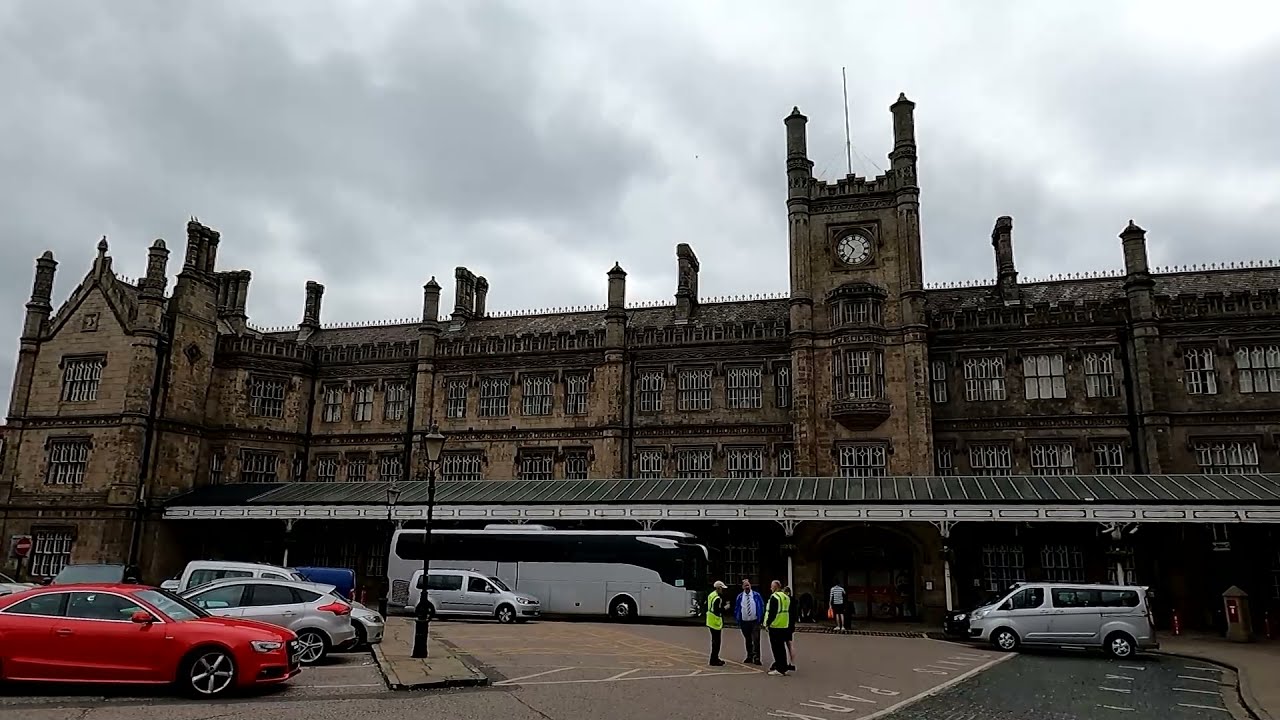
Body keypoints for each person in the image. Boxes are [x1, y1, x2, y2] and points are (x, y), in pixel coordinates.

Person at [763, 579, 791, 676]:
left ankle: (779, 668)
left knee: (776, 648)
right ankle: (783, 666)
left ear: (775, 587)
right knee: (781, 648)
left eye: (771, 586)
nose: (770, 588)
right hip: (784, 625)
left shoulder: (774, 597)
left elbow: (772, 613)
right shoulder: (786, 597)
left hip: (775, 626)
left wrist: (767, 623)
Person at [734, 578, 764, 665]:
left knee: (756, 639)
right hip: (744, 621)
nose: (747, 587)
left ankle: (757, 657)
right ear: (743, 587)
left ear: (750, 586)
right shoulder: (740, 596)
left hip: (755, 621)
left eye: (748, 585)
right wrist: (738, 618)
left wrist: (760, 617)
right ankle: (749, 656)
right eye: (745, 585)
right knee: (748, 639)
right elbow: (737, 608)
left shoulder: (756, 595)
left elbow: (761, 606)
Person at [706, 580, 727, 666]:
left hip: (710, 620)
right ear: (718, 588)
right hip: (715, 622)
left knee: (714, 641)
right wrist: (725, 608)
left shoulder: (711, 594)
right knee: (716, 642)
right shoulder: (717, 598)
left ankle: (715, 658)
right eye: (722, 588)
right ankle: (713, 660)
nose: (723, 590)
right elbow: (717, 611)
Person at [783, 586, 797, 672]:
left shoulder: (786, 600)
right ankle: (792, 662)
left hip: (786, 624)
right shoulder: (794, 601)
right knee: (790, 644)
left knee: (786, 644)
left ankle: (787, 662)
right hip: (791, 624)